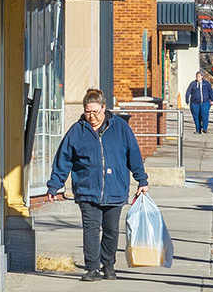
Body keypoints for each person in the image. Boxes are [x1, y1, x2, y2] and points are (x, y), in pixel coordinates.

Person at [46, 88, 149, 282]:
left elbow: (133, 154)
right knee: (91, 230)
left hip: (115, 188)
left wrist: (141, 180)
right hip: (87, 189)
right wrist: (55, 184)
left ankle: (108, 265)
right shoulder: (77, 131)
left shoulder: (120, 127)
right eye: (87, 111)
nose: (91, 116)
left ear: (104, 108)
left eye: (95, 111)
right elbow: (64, 159)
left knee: (111, 230)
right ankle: (92, 268)